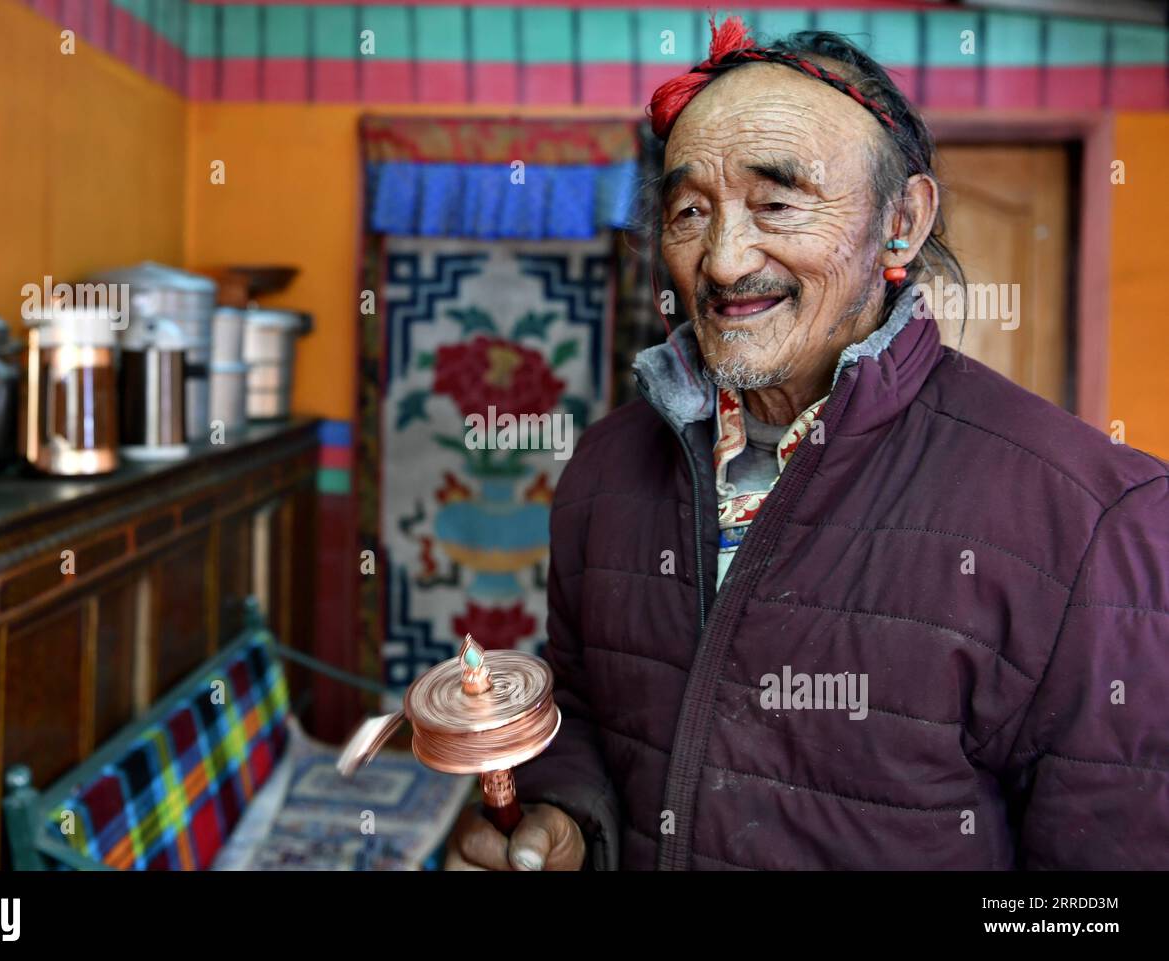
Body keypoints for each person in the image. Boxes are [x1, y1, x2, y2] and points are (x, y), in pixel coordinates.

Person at [445, 16, 1169, 871]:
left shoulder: (1093, 518)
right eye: (688, 211)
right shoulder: (604, 471)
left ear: (901, 223)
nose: (721, 260)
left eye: (778, 202)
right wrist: (573, 823)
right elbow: (588, 716)